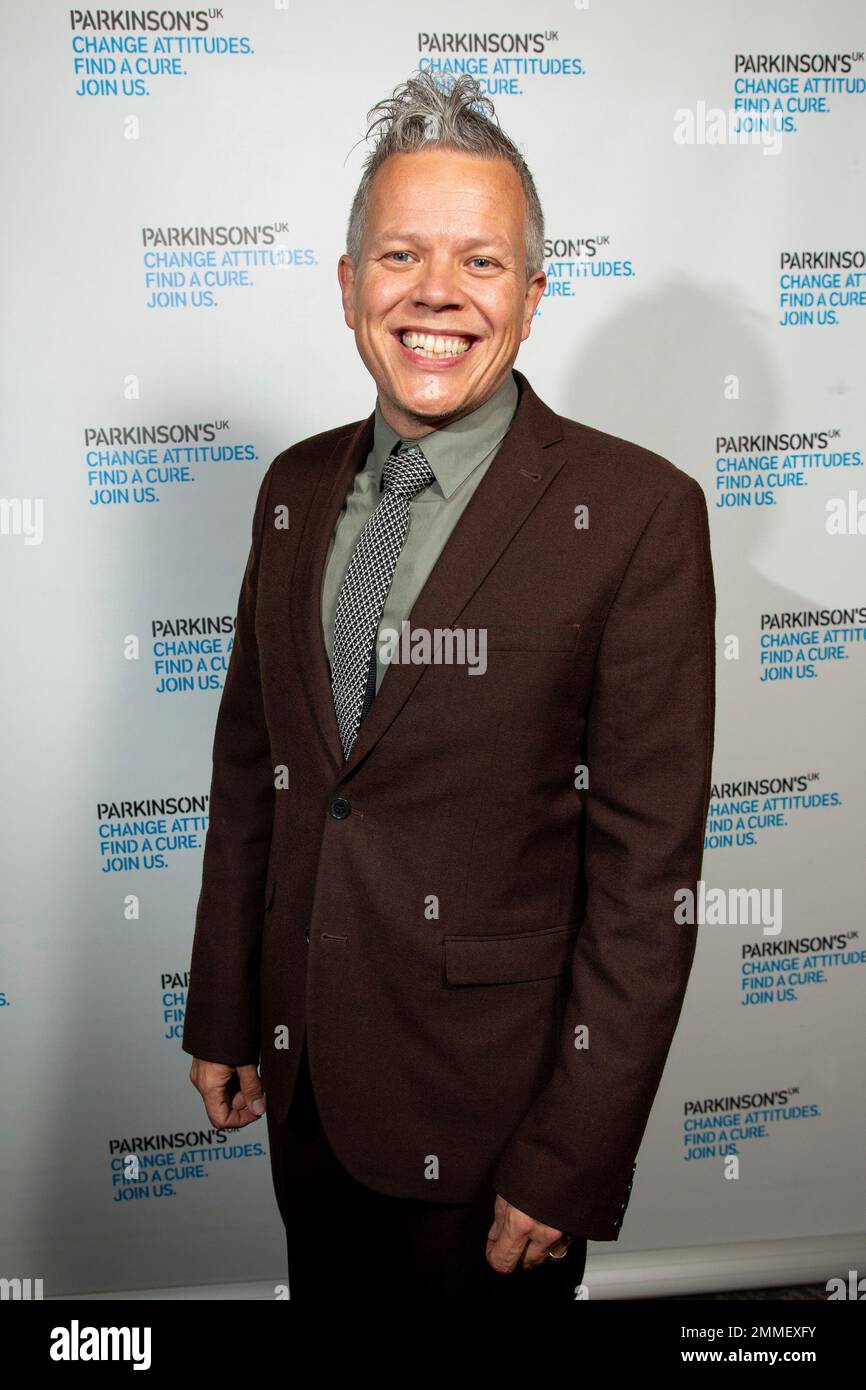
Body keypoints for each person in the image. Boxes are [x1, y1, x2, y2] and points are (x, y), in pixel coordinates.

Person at [182, 70, 716, 1302]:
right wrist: (223, 1008)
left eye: (479, 262)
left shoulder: (635, 516)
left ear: (530, 299)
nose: (434, 294)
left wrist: (570, 1155)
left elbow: (647, 885)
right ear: (347, 285)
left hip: (495, 1124)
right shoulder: (292, 489)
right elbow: (250, 774)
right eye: (399, 255)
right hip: (302, 1085)